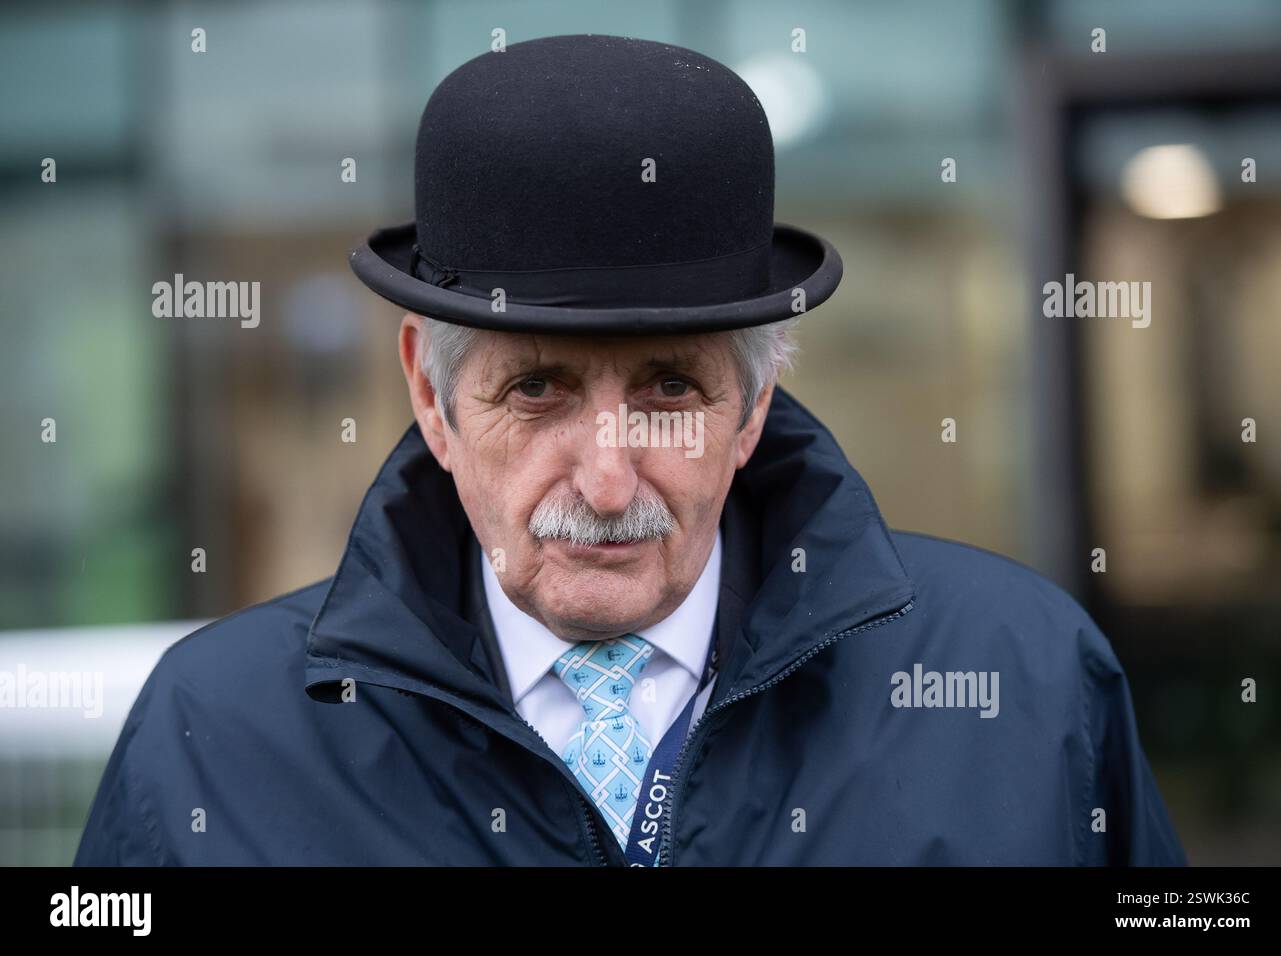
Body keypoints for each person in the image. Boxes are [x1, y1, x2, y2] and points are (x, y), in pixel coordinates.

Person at [75, 34, 1185, 866]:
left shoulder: (1026, 684)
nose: (607, 481)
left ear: (752, 407)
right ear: (429, 388)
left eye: (669, 387)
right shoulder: (210, 741)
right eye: (537, 388)